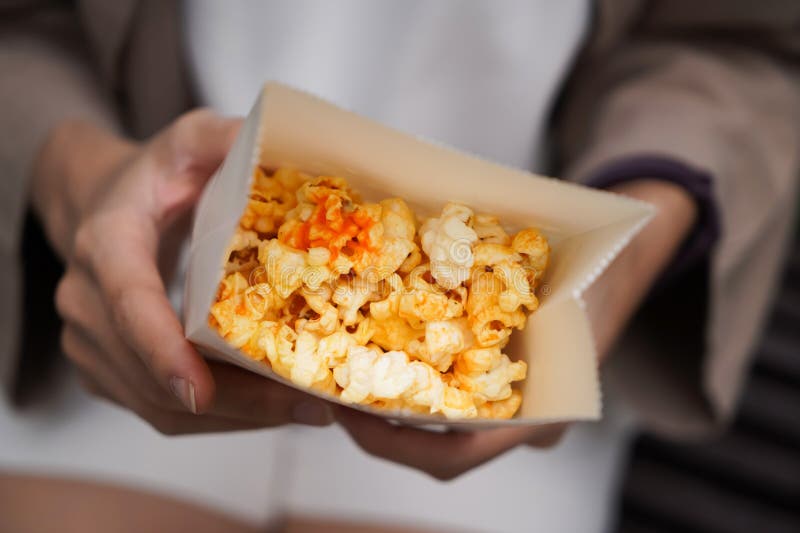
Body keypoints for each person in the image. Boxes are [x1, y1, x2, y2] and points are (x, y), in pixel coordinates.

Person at [1, 1, 798, 532]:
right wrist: (81, 177)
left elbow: (739, 38)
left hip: (510, 326)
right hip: (107, 272)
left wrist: (619, 265)